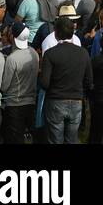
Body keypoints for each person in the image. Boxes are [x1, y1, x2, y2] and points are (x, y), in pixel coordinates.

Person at [38, 16, 92, 144]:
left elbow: (44, 83)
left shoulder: (51, 54)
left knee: (55, 140)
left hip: (56, 101)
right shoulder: (83, 53)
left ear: (56, 33)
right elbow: (89, 80)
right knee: (72, 139)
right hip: (76, 101)